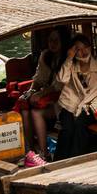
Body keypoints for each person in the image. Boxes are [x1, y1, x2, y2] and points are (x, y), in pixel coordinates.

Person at [15, 27, 68, 167]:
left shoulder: (68, 58)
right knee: (25, 110)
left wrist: (41, 94)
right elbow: (38, 79)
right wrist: (31, 91)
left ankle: (44, 154)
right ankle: (31, 152)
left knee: (35, 112)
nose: (53, 43)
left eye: (57, 40)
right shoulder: (45, 55)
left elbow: (59, 86)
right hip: (47, 97)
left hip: (61, 101)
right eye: (51, 40)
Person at [52, 32, 97, 161]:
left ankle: (75, 160)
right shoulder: (71, 65)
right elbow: (61, 79)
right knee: (67, 129)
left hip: (90, 105)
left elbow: (95, 92)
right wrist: (69, 59)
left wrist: (79, 109)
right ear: (73, 51)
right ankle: (59, 161)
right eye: (78, 49)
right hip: (69, 103)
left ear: (90, 48)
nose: (83, 52)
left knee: (80, 124)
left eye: (85, 48)